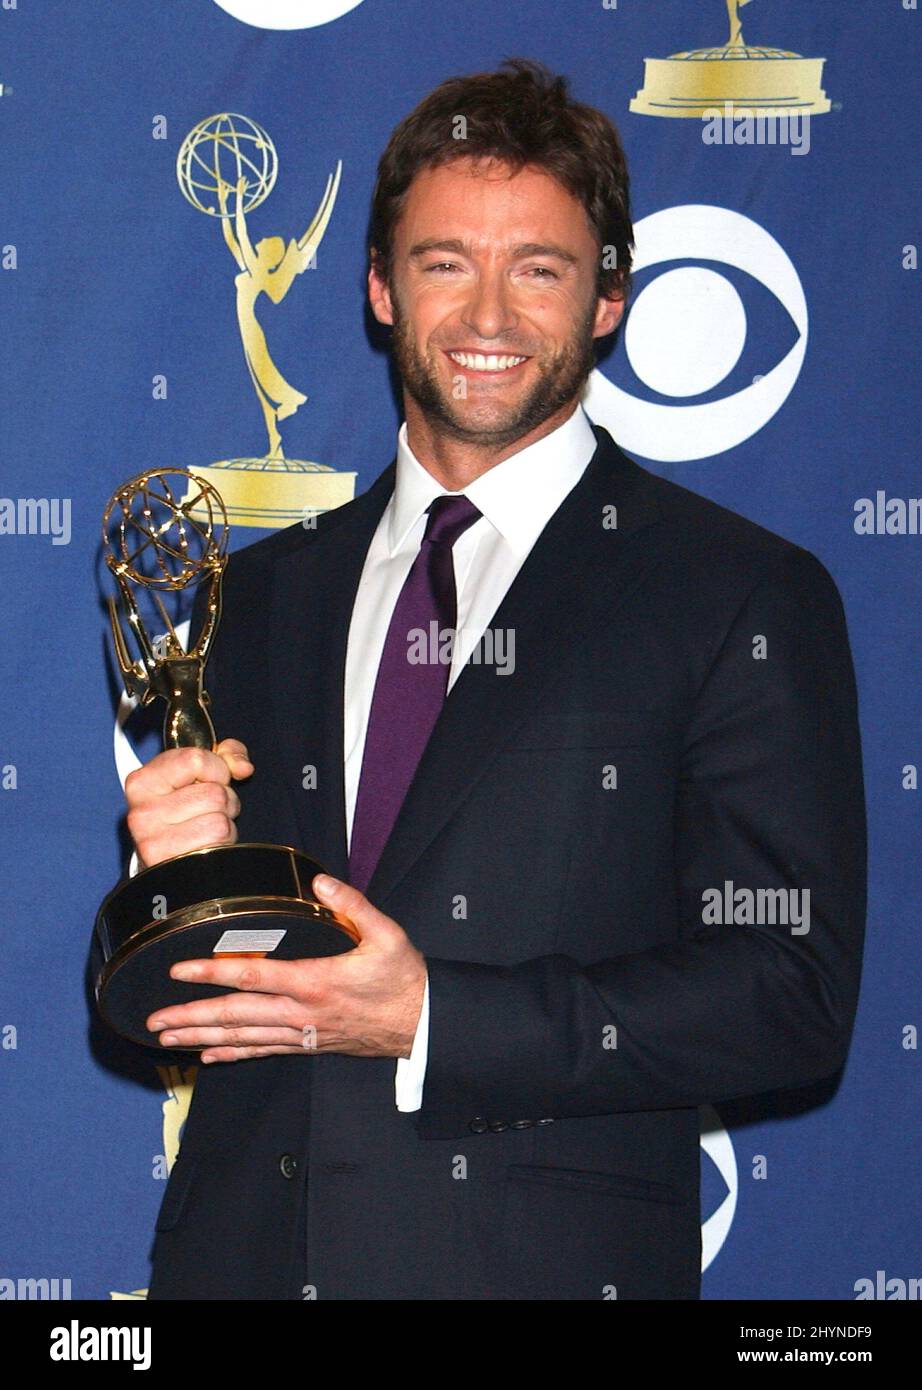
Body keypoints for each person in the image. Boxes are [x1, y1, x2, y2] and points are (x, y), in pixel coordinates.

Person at [121, 58, 866, 1300]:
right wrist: (172, 891)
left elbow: (787, 993)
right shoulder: (253, 600)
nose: (487, 318)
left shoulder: (733, 592)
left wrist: (432, 1019)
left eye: (540, 268)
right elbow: (167, 1011)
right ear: (376, 288)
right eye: (442, 262)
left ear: (609, 300)